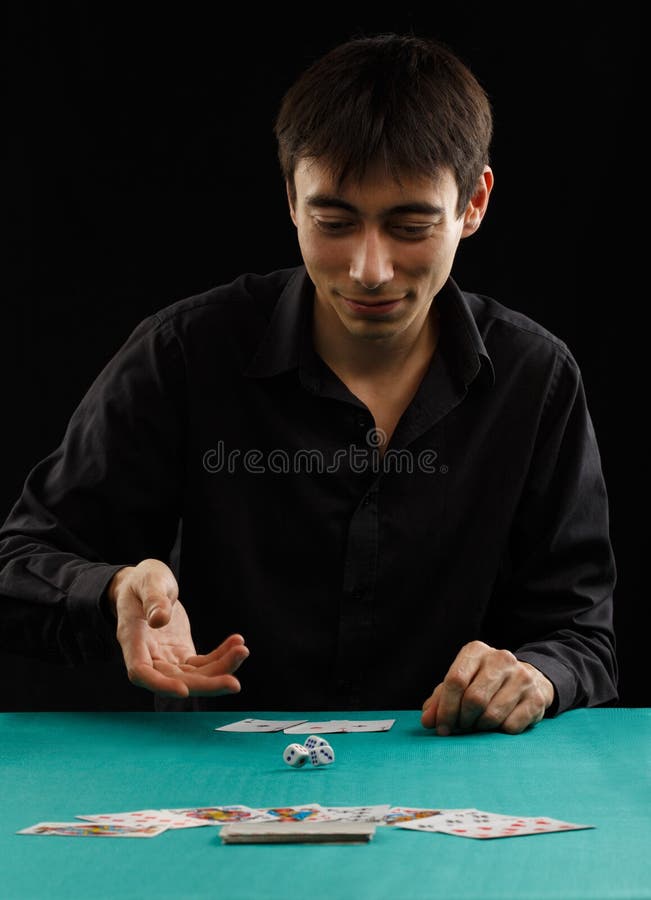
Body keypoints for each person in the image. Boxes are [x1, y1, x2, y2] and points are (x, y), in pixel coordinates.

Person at [0, 33, 617, 735]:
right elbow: (16, 568)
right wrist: (113, 591)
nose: (368, 269)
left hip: (453, 782)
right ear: (291, 200)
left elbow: (581, 635)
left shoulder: (535, 378)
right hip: (212, 787)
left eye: (409, 225)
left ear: (472, 203)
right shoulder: (184, 353)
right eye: (334, 221)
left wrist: (535, 674)